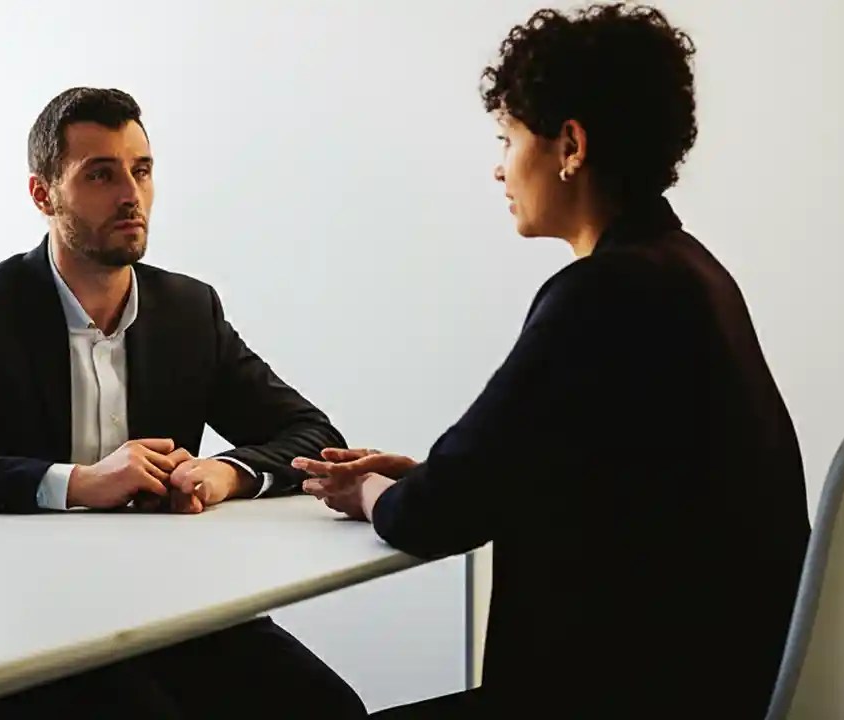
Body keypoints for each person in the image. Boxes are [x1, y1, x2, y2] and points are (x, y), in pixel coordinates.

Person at [296, 5, 810, 718]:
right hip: (718, 685)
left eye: (508, 137)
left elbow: (439, 516)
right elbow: (591, 475)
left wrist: (371, 495)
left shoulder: (604, 292)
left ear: (569, 145)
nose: (498, 166)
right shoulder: (694, 274)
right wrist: (425, 479)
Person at [0, 87, 365, 719]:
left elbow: (311, 432)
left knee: (329, 709)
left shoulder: (188, 310)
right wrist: (76, 483)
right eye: (101, 174)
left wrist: (225, 473)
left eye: (141, 171)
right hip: (22, 625)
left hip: (170, 606)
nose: (131, 194)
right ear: (44, 194)